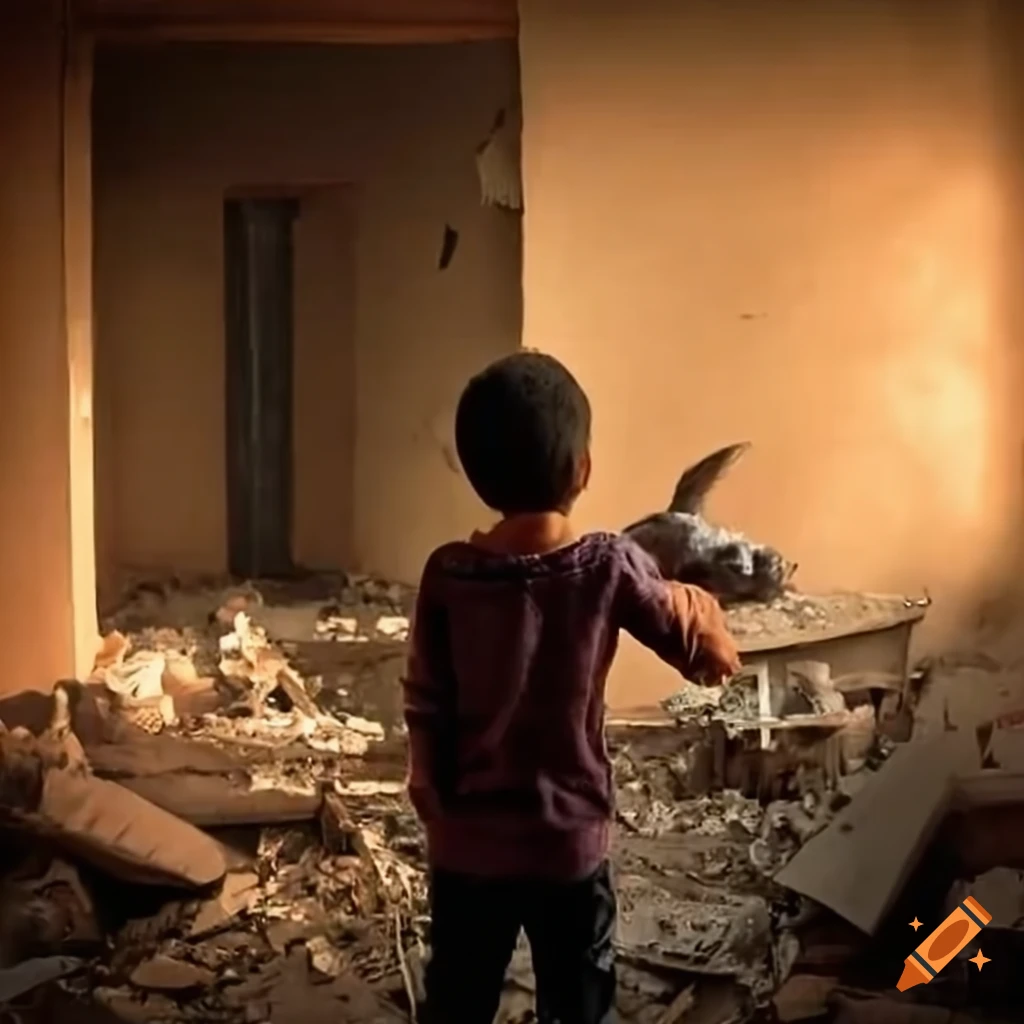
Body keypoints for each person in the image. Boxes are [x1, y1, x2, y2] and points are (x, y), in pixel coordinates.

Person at [403, 351, 741, 1024]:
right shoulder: (608, 566)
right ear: (583, 469)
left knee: (459, 999)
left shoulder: (447, 574)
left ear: (475, 475)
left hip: (466, 848)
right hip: (568, 848)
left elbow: (426, 702)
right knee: (580, 1000)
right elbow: (704, 653)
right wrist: (702, 608)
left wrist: (438, 810)